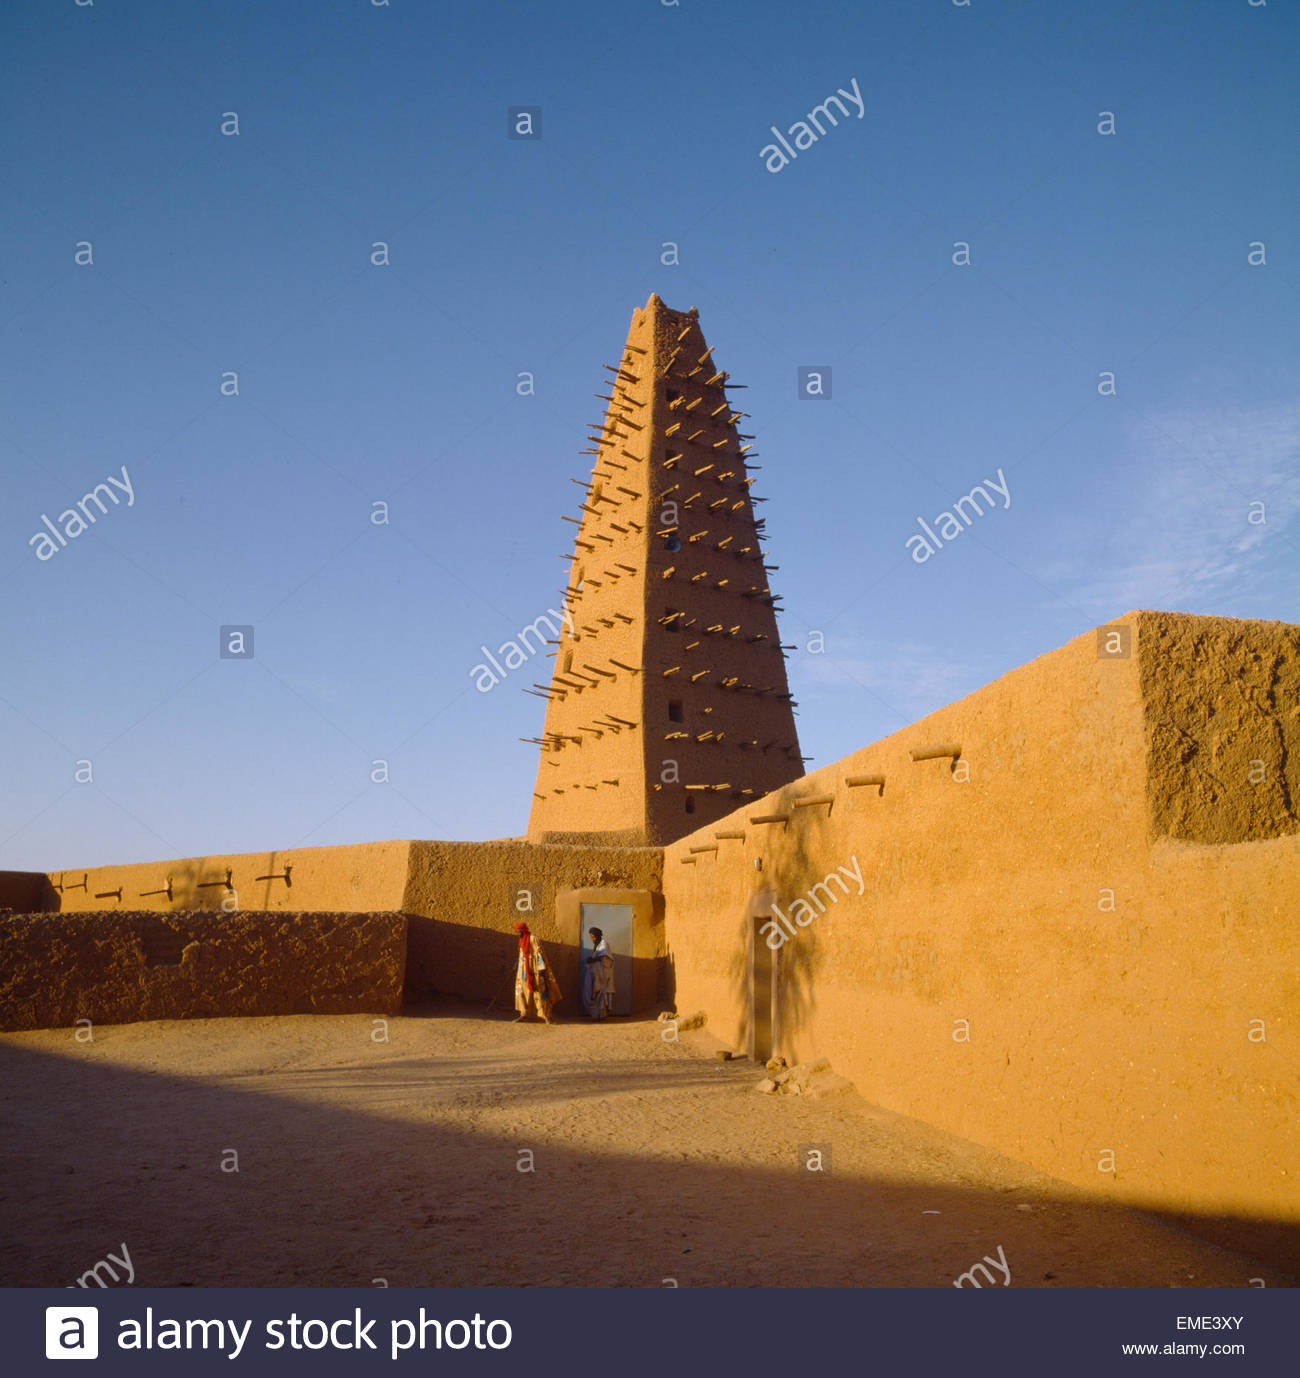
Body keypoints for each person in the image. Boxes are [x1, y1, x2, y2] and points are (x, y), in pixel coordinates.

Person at [512, 921, 559, 1023]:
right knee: (522, 992)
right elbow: (521, 955)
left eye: (518, 931)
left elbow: (539, 954)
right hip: (523, 971)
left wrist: (541, 969)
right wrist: (516, 964)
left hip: (534, 969)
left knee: (540, 992)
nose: (517, 934)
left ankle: (546, 1016)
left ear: (523, 930)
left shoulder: (533, 938)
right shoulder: (521, 941)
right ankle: (523, 1014)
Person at [582, 926, 615, 1021]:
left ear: (598, 936)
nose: (592, 939)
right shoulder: (597, 946)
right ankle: (598, 1016)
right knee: (596, 993)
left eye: (593, 937)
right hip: (598, 975)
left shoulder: (603, 944)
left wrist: (592, 960)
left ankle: (601, 1016)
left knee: (601, 994)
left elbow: (604, 958)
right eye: (591, 937)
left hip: (603, 975)